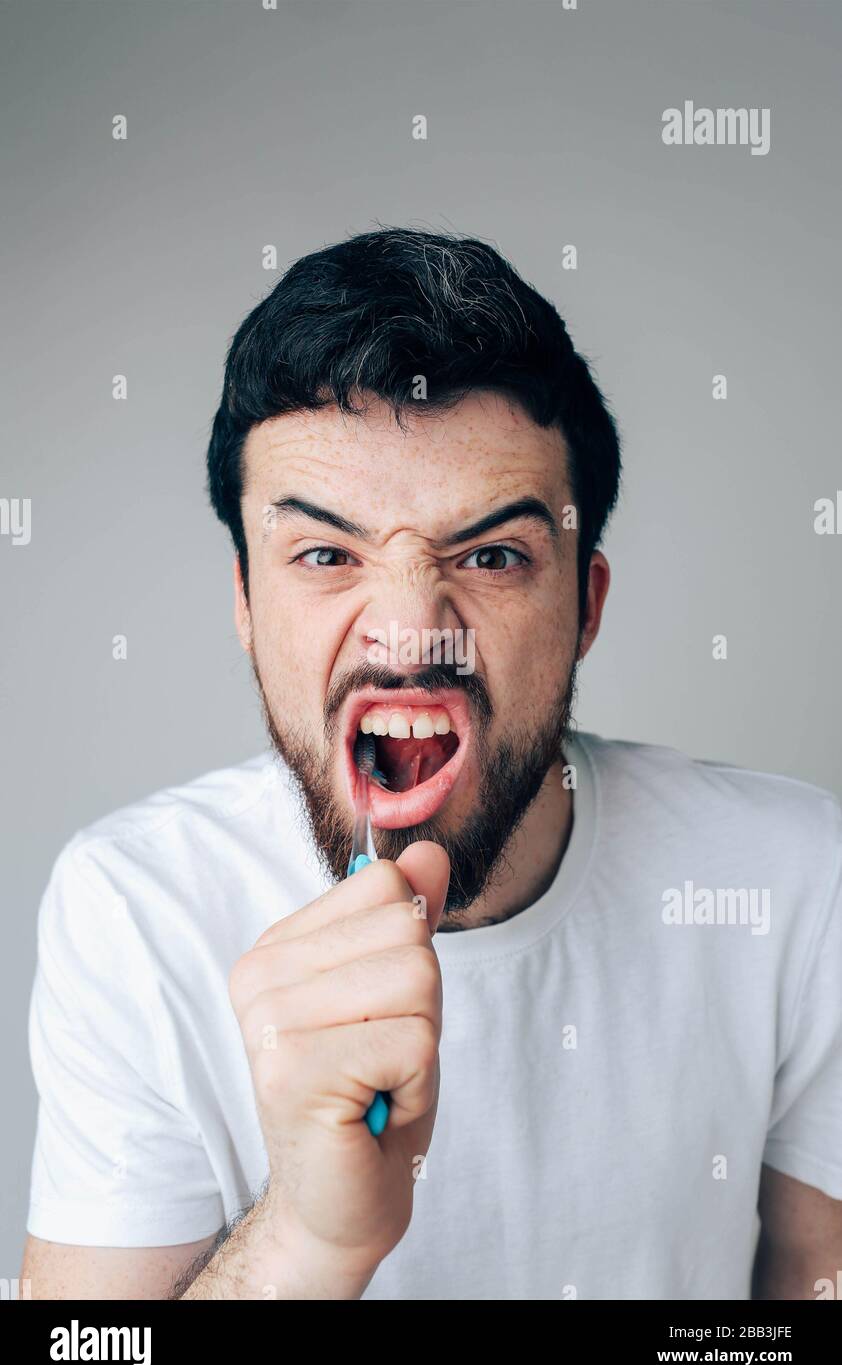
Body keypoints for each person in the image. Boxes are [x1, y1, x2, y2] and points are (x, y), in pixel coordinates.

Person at [21, 229, 842, 1299]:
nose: (410, 635)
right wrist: (309, 1241)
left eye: (492, 556)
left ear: (584, 606)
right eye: (325, 554)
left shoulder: (789, 881)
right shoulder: (136, 910)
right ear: (244, 603)